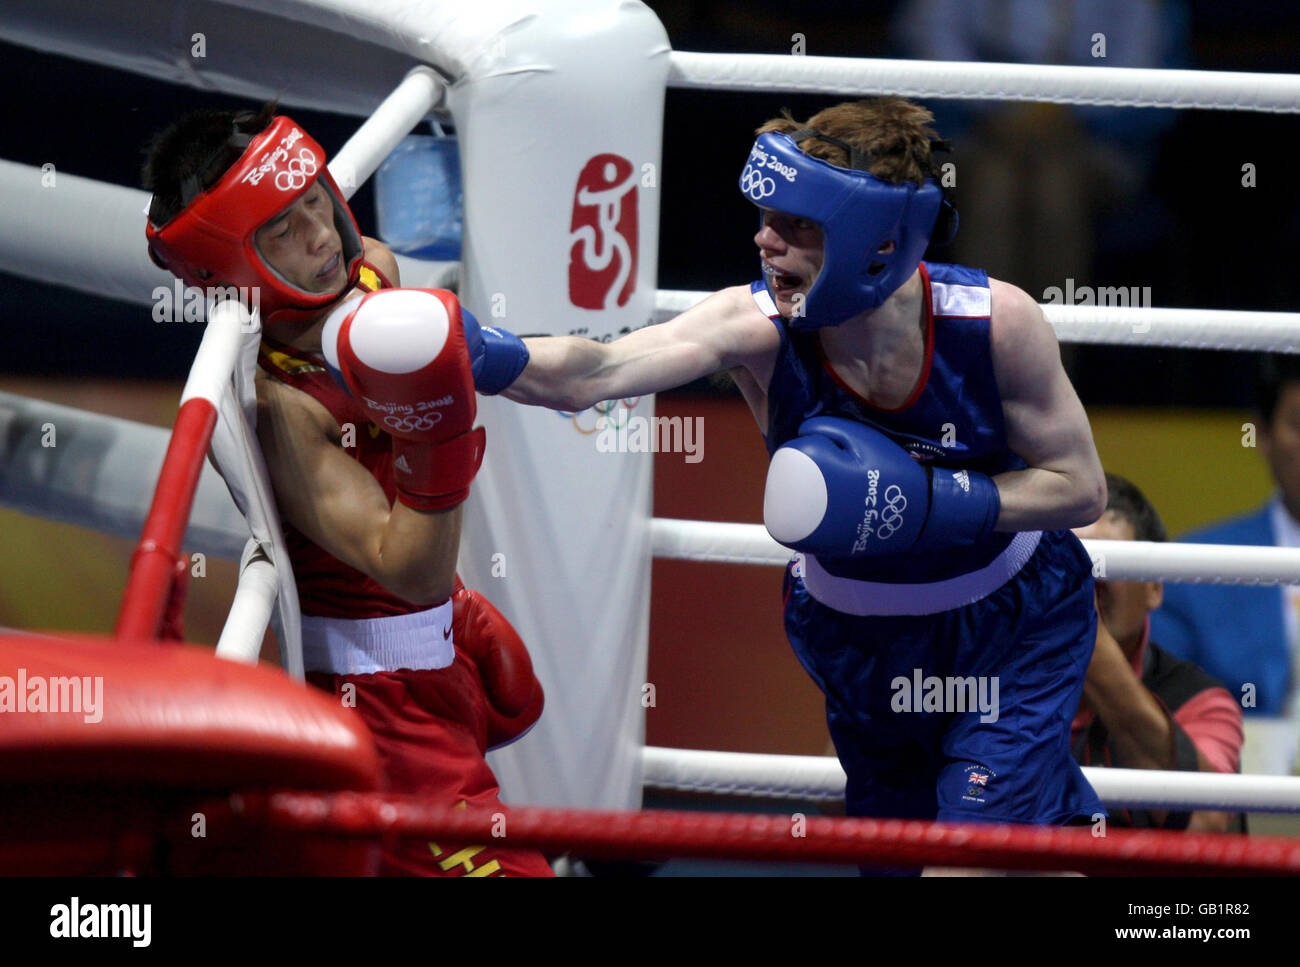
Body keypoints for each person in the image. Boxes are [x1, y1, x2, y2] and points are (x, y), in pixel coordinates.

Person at [486, 97, 1111, 869]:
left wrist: (937, 504)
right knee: (912, 860)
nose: (764, 240)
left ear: (878, 242)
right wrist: (481, 353)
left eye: (797, 226)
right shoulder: (758, 328)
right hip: (858, 639)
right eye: (765, 216)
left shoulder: (995, 323)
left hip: (1010, 629)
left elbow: (1082, 490)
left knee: (969, 852)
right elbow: (602, 368)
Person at [142, 105, 551, 876]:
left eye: (314, 202)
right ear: (231, 263)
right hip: (378, 699)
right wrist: (440, 432)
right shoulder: (283, 409)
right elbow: (411, 564)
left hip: (437, 645)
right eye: (283, 231)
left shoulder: (375, 275)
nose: (322, 237)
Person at [1072, 473, 1245, 832]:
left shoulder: (1202, 701)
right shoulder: (995, 683)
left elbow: (1207, 826)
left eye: (1108, 561)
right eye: (1071, 562)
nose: (1090, 577)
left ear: (1154, 586)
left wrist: (1087, 637)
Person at [1152, 355, 1300, 749]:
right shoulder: (1195, 569)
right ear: (1263, 435)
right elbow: (1164, 725)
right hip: (1238, 797)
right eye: (1299, 425)